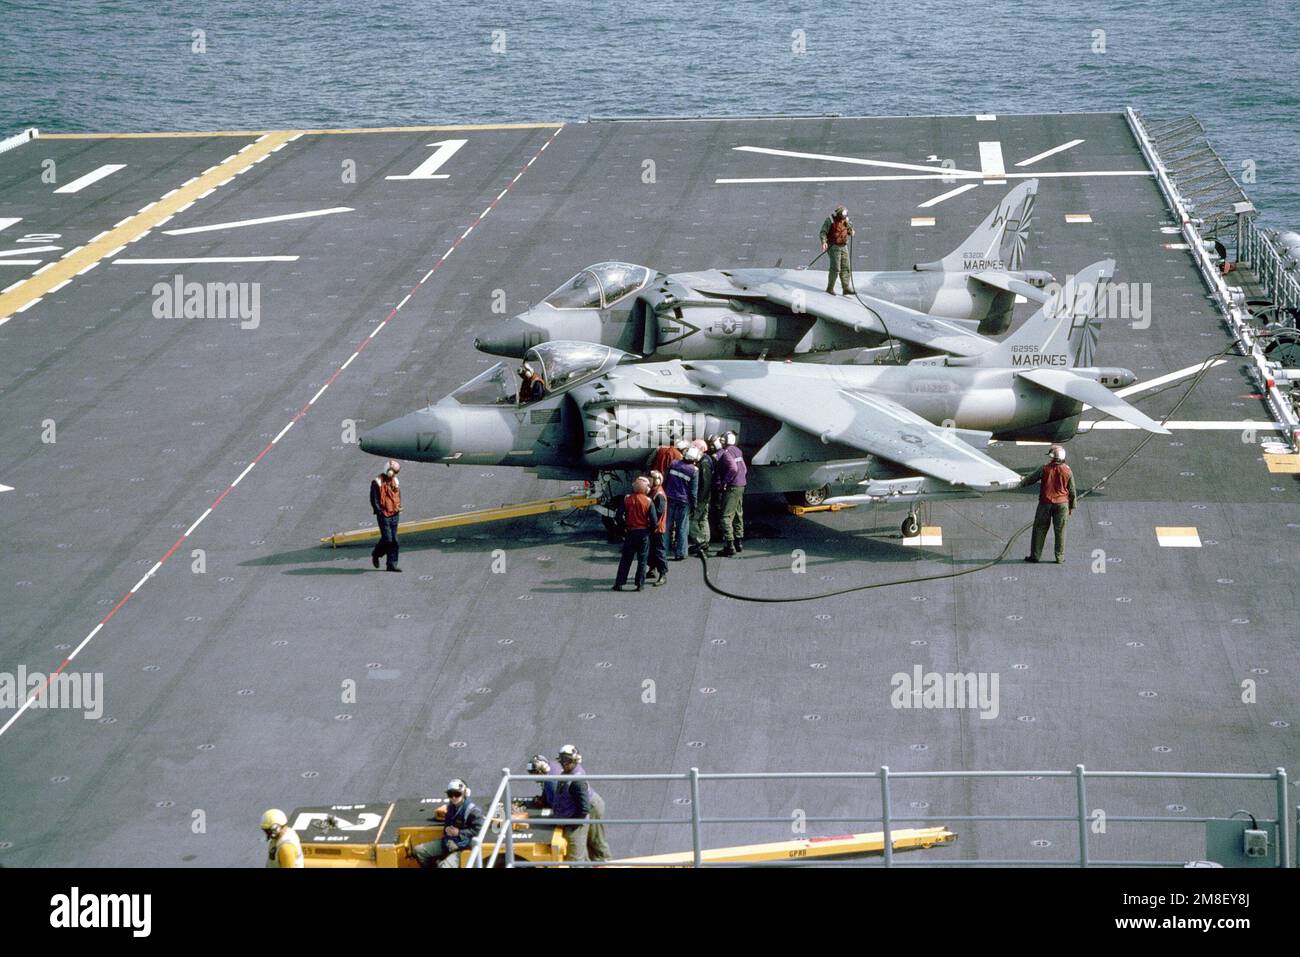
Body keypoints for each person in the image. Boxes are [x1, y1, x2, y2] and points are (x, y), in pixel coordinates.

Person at [552, 745, 610, 863]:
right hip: (584, 807)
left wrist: (573, 824)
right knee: (586, 844)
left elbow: (584, 809)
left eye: (567, 760)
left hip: (590, 807)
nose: (564, 763)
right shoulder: (568, 773)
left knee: (595, 842)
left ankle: (603, 863)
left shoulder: (576, 781)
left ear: (575, 760)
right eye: (562, 760)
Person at [1021, 444, 1078, 564]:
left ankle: (1035, 556)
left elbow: (1030, 480)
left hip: (1045, 504)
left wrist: (1022, 481)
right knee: (1060, 531)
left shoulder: (1044, 468)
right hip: (1062, 504)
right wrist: (1071, 506)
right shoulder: (1068, 470)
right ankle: (1060, 558)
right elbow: (1072, 490)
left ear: (1053, 457)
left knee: (1039, 529)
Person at [411, 779, 484, 869]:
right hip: (448, 842)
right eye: (450, 794)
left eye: (457, 794)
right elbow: (448, 823)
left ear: (465, 793)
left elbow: (479, 830)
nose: (453, 797)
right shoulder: (451, 807)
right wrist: (447, 830)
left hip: (463, 847)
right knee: (419, 851)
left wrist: (459, 833)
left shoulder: (473, 811)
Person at [612, 477, 661, 591]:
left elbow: (618, 517)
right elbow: (654, 521)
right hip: (643, 533)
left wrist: (623, 527)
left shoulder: (627, 499)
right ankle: (640, 584)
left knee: (625, 559)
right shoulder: (648, 502)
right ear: (645, 489)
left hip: (630, 532)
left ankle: (619, 583)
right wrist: (650, 530)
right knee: (642, 560)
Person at [714, 430, 748, 556]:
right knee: (738, 513)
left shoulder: (727, 453)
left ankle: (730, 546)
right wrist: (741, 478)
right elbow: (743, 468)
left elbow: (733, 468)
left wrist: (725, 482)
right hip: (741, 485)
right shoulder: (738, 451)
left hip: (732, 487)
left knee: (725, 517)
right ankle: (739, 542)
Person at [665, 447, 700, 560]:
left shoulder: (674, 464)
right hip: (683, 502)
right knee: (682, 528)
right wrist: (694, 505)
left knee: (667, 526)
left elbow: (666, 480)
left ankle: (663, 550)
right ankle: (681, 553)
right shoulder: (693, 471)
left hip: (670, 498)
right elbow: (693, 491)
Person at [369, 459, 402, 572]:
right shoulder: (377, 482)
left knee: (395, 541)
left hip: (394, 513)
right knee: (388, 539)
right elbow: (374, 499)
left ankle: (391, 564)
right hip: (384, 514)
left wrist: (398, 507)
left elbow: (398, 495)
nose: (393, 474)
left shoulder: (395, 481)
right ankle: (376, 554)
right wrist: (380, 512)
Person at [819, 205, 856, 295]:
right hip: (833, 246)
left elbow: (850, 230)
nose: (844, 218)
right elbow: (823, 232)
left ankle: (846, 288)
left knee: (846, 267)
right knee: (836, 268)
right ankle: (830, 288)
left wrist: (851, 231)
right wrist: (824, 242)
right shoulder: (830, 220)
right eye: (842, 216)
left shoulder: (845, 220)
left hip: (844, 246)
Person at [689, 438, 716, 556]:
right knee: (703, 519)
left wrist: (698, 499)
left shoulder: (704, 463)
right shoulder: (707, 460)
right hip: (705, 497)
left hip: (701, 497)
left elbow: (705, 482)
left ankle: (699, 542)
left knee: (693, 519)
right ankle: (705, 541)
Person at [646, 470, 670, 586]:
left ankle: (662, 574)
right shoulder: (652, 492)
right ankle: (652, 569)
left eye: (651, 479)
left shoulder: (659, 495)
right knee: (651, 550)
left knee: (659, 551)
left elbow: (658, 512)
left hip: (657, 528)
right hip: (652, 527)